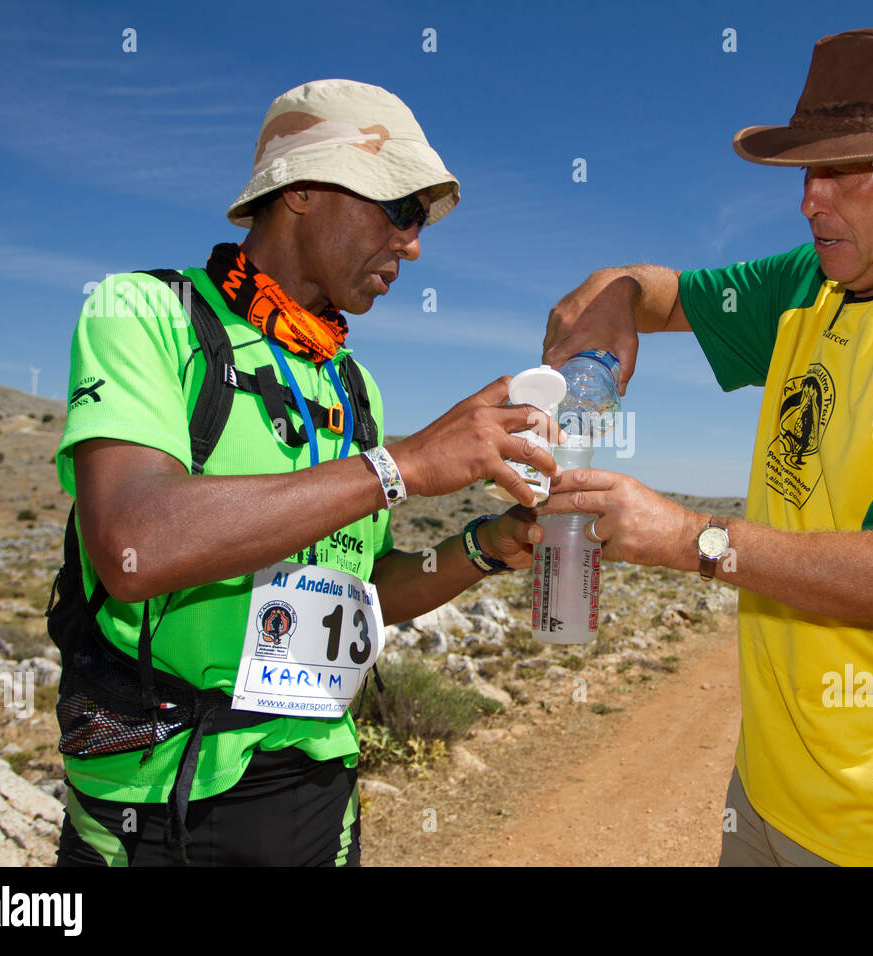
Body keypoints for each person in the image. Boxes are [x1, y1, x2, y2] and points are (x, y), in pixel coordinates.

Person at [538, 28, 873, 867]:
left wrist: (688, 538)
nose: (810, 200)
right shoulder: (809, 283)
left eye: (845, 172)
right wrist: (615, 295)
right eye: (807, 172)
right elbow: (665, 291)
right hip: (766, 785)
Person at [51, 79, 558, 866]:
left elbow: (359, 594)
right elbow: (132, 547)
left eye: (421, 219)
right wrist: (401, 465)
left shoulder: (349, 383)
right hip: (160, 799)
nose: (415, 244)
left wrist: (489, 545)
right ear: (303, 191)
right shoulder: (143, 314)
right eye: (401, 209)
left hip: (321, 785)